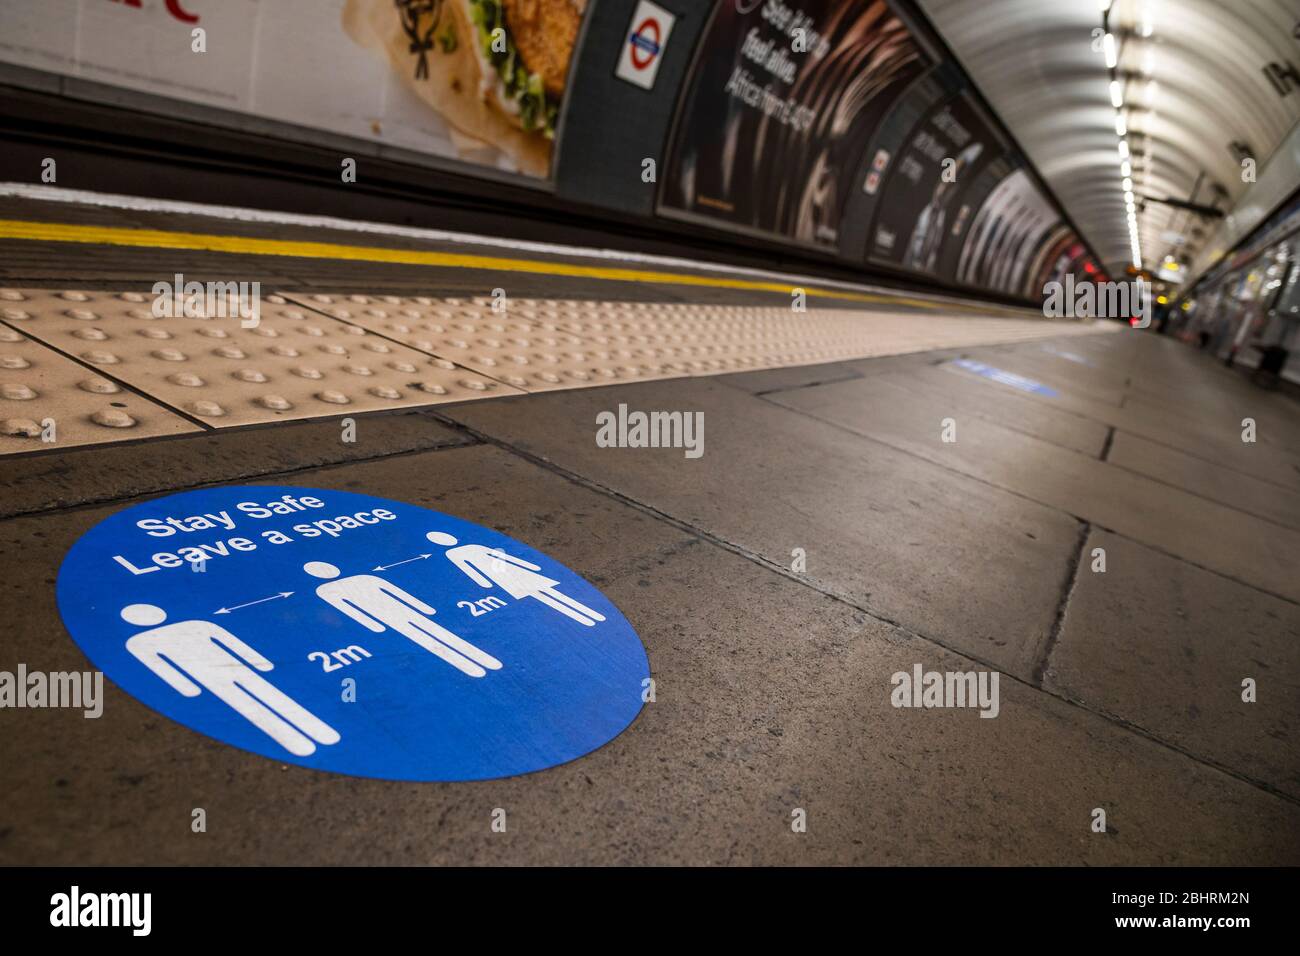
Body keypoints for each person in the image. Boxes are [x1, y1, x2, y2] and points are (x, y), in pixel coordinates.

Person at [122, 603, 340, 757]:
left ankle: (302, 741)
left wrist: (188, 688)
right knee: (271, 697)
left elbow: (168, 669)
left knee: (251, 706)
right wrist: (260, 663)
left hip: (214, 679)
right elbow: (228, 643)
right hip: (235, 672)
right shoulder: (192, 626)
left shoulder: (140, 640)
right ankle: (319, 734)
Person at [304, 561, 501, 678]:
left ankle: (472, 664)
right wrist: (425, 609)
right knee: (435, 635)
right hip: (403, 615)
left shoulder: (330, 589)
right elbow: (390, 596)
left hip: (395, 618)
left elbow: (356, 608)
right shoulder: (359, 580)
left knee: (425, 638)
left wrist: (375, 626)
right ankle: (478, 661)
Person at [426, 531, 606, 627]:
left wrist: (485, 583)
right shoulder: (466, 548)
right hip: (510, 574)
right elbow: (501, 557)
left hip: (503, 579)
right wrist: (530, 567)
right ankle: (588, 616)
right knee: (545, 593)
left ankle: (586, 618)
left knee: (541, 594)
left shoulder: (454, 553)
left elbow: (473, 570)